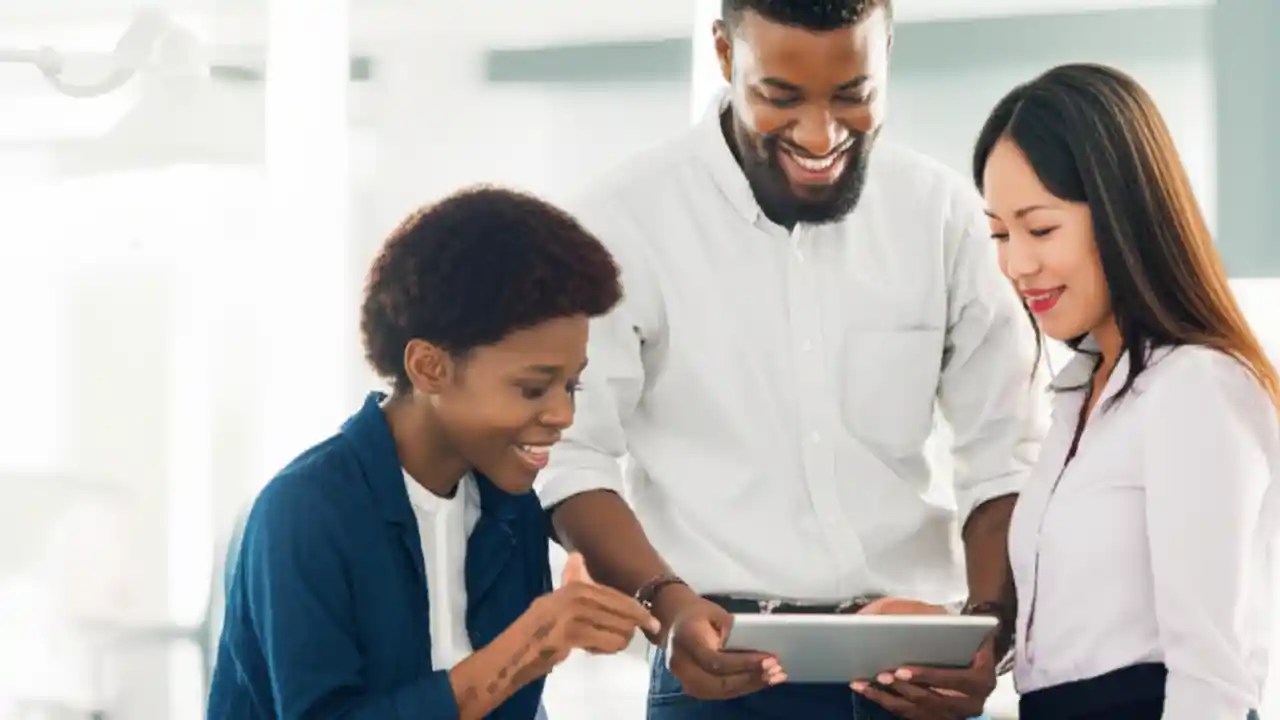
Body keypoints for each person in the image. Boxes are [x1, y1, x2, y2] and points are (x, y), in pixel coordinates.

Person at [535, 1, 1048, 718]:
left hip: (913, 672)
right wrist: (666, 603)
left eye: (853, 95)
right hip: (716, 667)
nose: (820, 133)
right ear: (724, 54)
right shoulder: (621, 223)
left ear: (888, 53)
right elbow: (573, 456)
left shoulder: (943, 216)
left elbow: (1006, 455)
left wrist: (989, 627)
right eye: (780, 97)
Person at [207, 187, 659, 719]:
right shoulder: (304, 512)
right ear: (429, 368)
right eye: (534, 389)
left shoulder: (510, 514)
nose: (563, 415)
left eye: (572, 387)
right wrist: (528, 646)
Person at [940, 63, 1276, 719]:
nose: (1015, 265)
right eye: (1000, 234)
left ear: (1123, 210)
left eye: (1040, 229)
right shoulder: (1079, 395)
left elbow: (1214, 677)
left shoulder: (1196, 389)